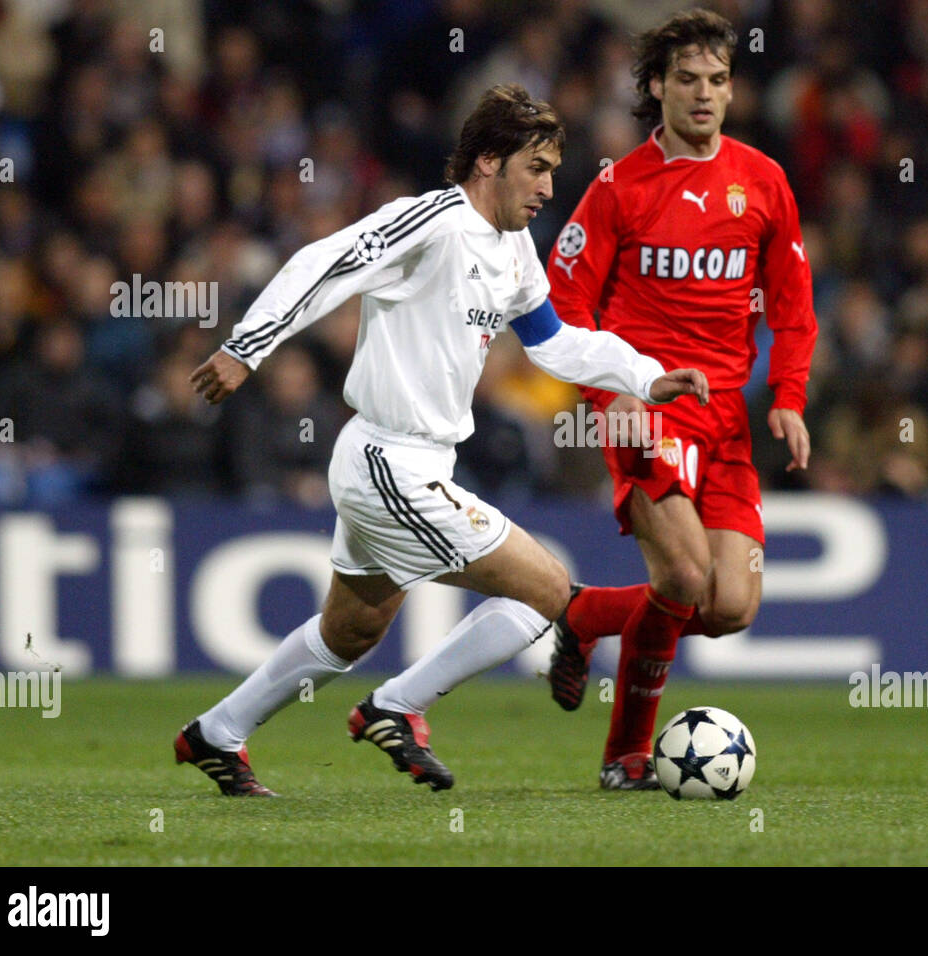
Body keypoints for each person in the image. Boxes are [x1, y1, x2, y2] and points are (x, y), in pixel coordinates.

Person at [173, 84, 708, 796]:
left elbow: (554, 343)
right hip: (386, 461)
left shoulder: (514, 248)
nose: (549, 188)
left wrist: (643, 375)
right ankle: (395, 706)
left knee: (350, 630)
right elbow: (323, 262)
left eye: (552, 171)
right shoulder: (430, 222)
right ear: (488, 161)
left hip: (417, 462)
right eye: (536, 168)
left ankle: (216, 733)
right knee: (546, 591)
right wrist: (248, 347)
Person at [545, 9, 817, 788]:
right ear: (657, 87)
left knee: (730, 607)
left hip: (726, 418)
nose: (704, 94)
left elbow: (793, 304)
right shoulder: (618, 187)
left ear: (732, 90)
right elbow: (565, 303)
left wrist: (789, 395)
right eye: (688, 79)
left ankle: (584, 614)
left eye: (718, 80)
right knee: (686, 579)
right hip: (647, 410)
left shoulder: (762, 181)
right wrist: (612, 389)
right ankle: (626, 755)